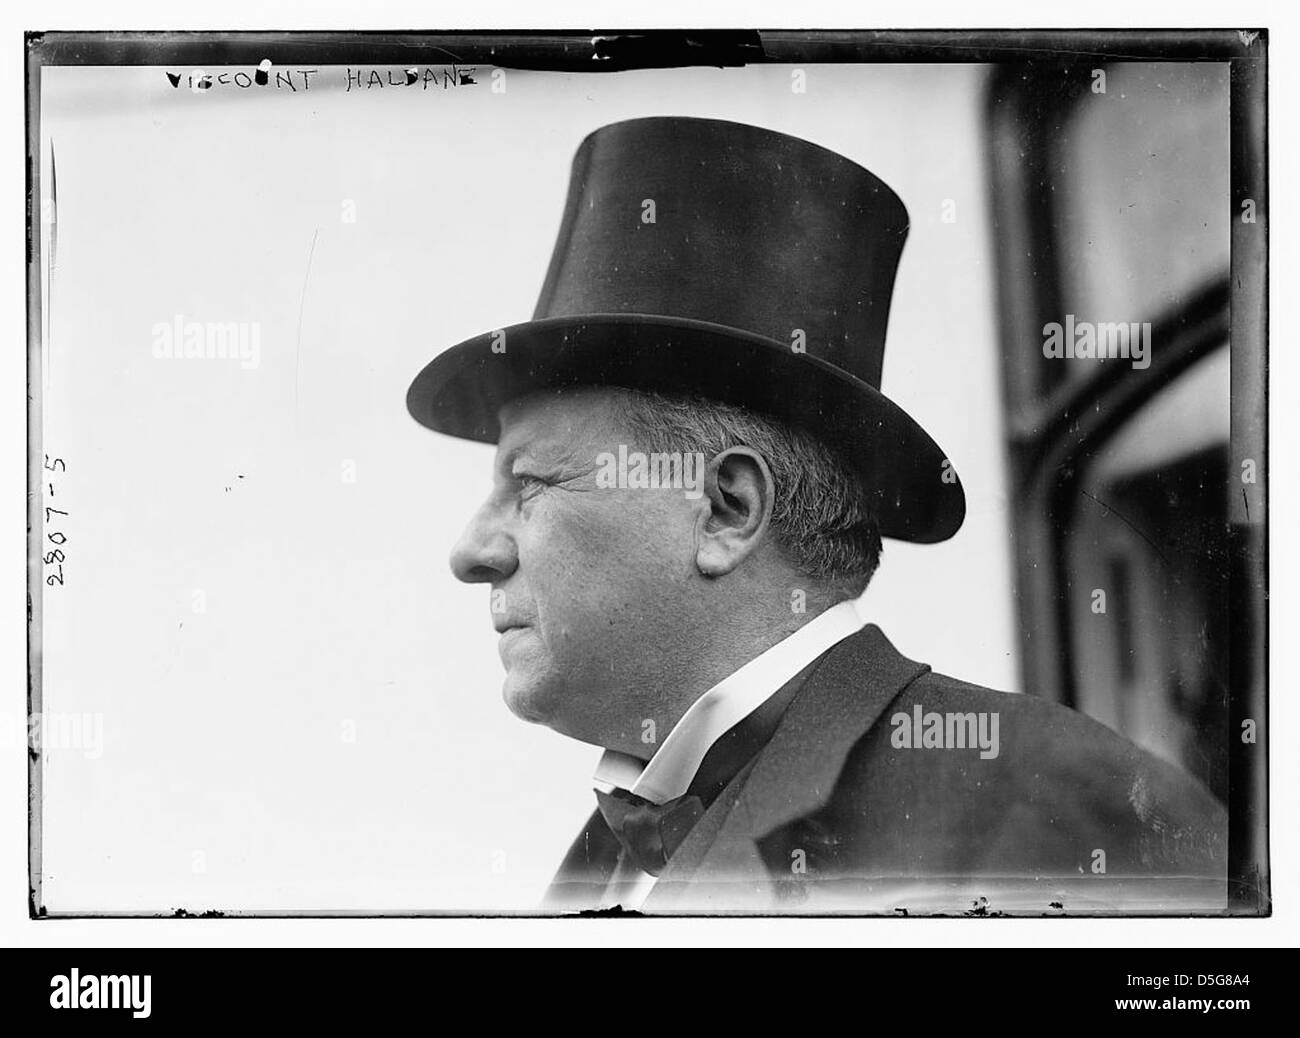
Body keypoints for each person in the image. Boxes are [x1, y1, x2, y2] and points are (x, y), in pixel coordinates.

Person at [406, 116, 1227, 914]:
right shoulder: (612, 852)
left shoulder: (1045, 807)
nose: (471, 550)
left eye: (530, 483)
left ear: (726, 511)